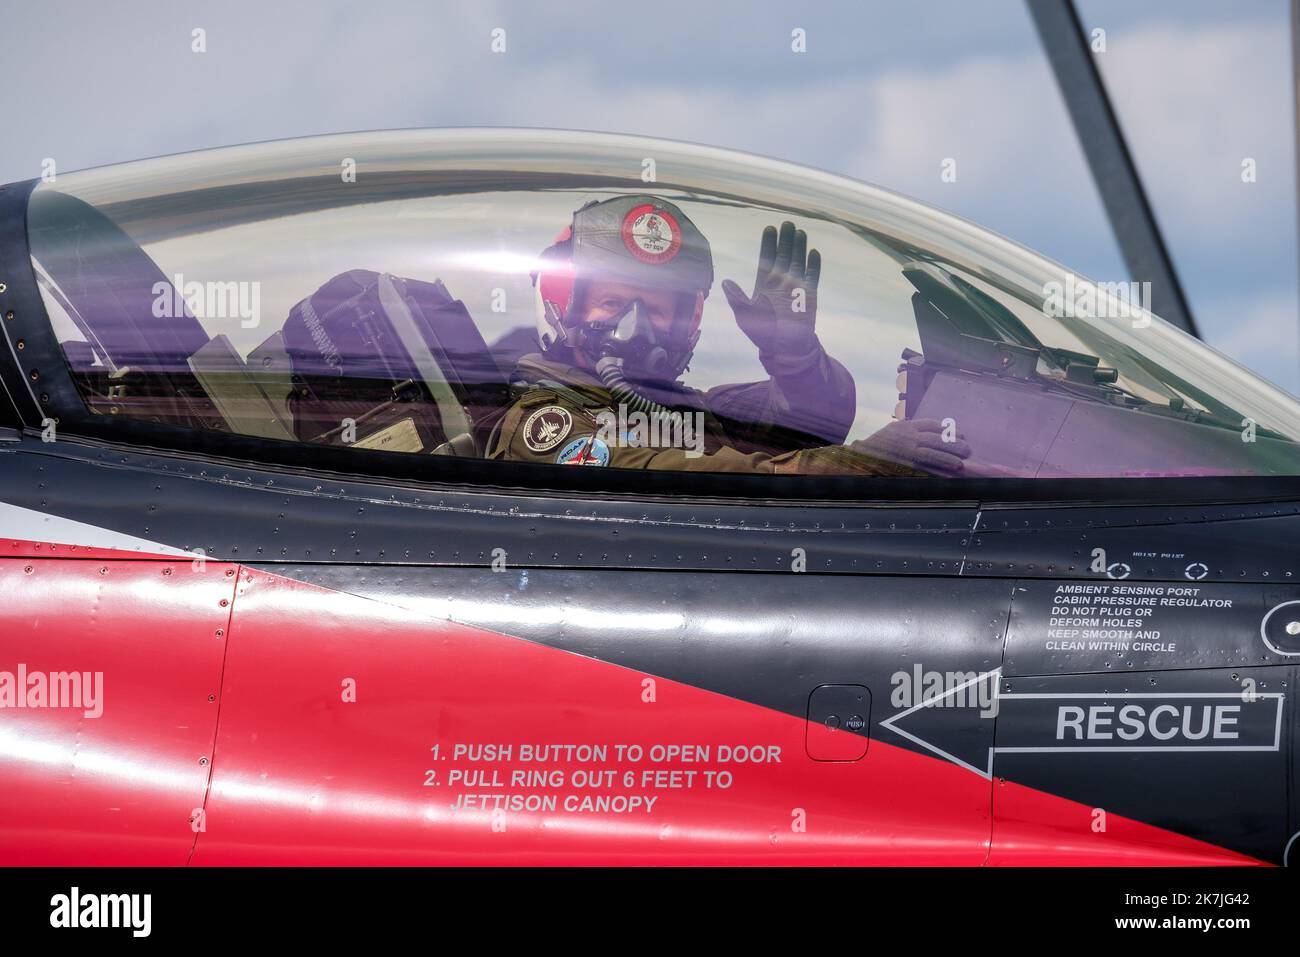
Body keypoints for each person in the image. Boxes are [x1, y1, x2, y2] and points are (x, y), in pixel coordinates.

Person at [487, 194, 970, 475]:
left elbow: (811, 423)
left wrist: (796, 359)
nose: (638, 327)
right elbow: (712, 483)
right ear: (560, 306)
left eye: (658, 311)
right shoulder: (546, 426)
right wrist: (861, 466)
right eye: (614, 303)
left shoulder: (678, 409)